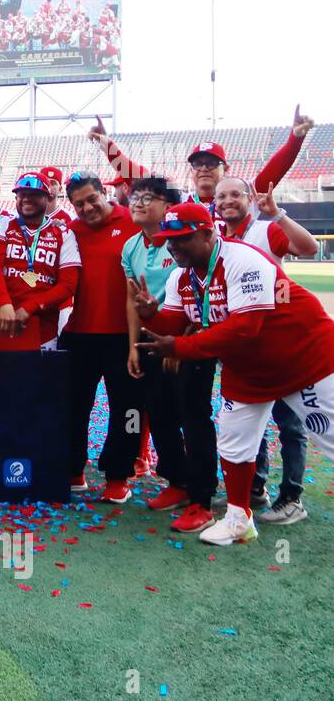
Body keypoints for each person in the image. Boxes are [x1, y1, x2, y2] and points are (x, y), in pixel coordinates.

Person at [135, 202, 334, 545]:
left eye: (182, 238)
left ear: (208, 234)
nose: (174, 246)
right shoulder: (181, 276)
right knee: (233, 438)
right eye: (169, 239)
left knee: (329, 435)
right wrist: (151, 316)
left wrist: (180, 348)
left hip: (303, 358)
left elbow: (244, 328)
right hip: (248, 367)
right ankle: (239, 518)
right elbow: (177, 322)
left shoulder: (244, 259)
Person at [215, 176, 320, 523]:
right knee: (251, 425)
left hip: (279, 343)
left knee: (290, 424)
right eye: (221, 196)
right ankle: (254, 489)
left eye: (235, 194)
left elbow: (309, 249)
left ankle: (291, 497)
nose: (228, 201)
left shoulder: (264, 228)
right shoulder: (218, 239)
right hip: (246, 346)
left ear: (248, 199)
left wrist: (278, 214)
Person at [120, 176, 215, 531]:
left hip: (189, 341)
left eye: (150, 198)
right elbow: (134, 299)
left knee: (193, 416)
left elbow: (198, 295)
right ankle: (177, 482)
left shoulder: (184, 240)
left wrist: (183, 341)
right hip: (153, 338)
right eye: (135, 197)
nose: (140, 203)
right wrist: (133, 344)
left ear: (168, 206)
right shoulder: (131, 246)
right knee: (158, 413)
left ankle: (203, 495)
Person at [62, 172, 141, 502]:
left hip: (125, 336)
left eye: (92, 199)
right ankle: (72, 468)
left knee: (129, 410)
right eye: (79, 204)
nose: (87, 208)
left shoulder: (134, 222)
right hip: (78, 335)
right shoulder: (71, 231)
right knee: (74, 407)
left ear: (104, 193)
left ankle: (118, 475)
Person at [89, 106, 314, 206]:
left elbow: (271, 175)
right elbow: (139, 178)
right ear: (191, 171)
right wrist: (108, 146)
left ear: (226, 169)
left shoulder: (242, 197)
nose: (203, 168)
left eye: (211, 163)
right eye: (197, 163)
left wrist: (295, 139)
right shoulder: (181, 199)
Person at [0, 171, 80, 351]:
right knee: (0, 379)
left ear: (47, 198)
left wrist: (28, 308)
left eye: (34, 194)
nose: (26, 199)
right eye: (21, 195)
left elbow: (68, 285)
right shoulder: (2, 225)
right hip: (2, 325)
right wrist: (5, 303)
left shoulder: (64, 234)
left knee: (41, 379)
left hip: (44, 333)